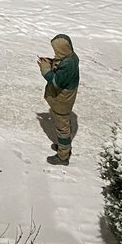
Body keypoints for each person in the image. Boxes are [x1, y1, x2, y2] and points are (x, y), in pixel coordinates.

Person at [38, 33, 80, 165]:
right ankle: (64, 147)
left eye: (56, 50)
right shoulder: (70, 57)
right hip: (64, 99)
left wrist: (45, 70)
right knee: (63, 124)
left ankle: (63, 156)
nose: (55, 53)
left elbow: (56, 81)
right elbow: (60, 65)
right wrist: (51, 62)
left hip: (63, 100)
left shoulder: (68, 66)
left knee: (62, 127)